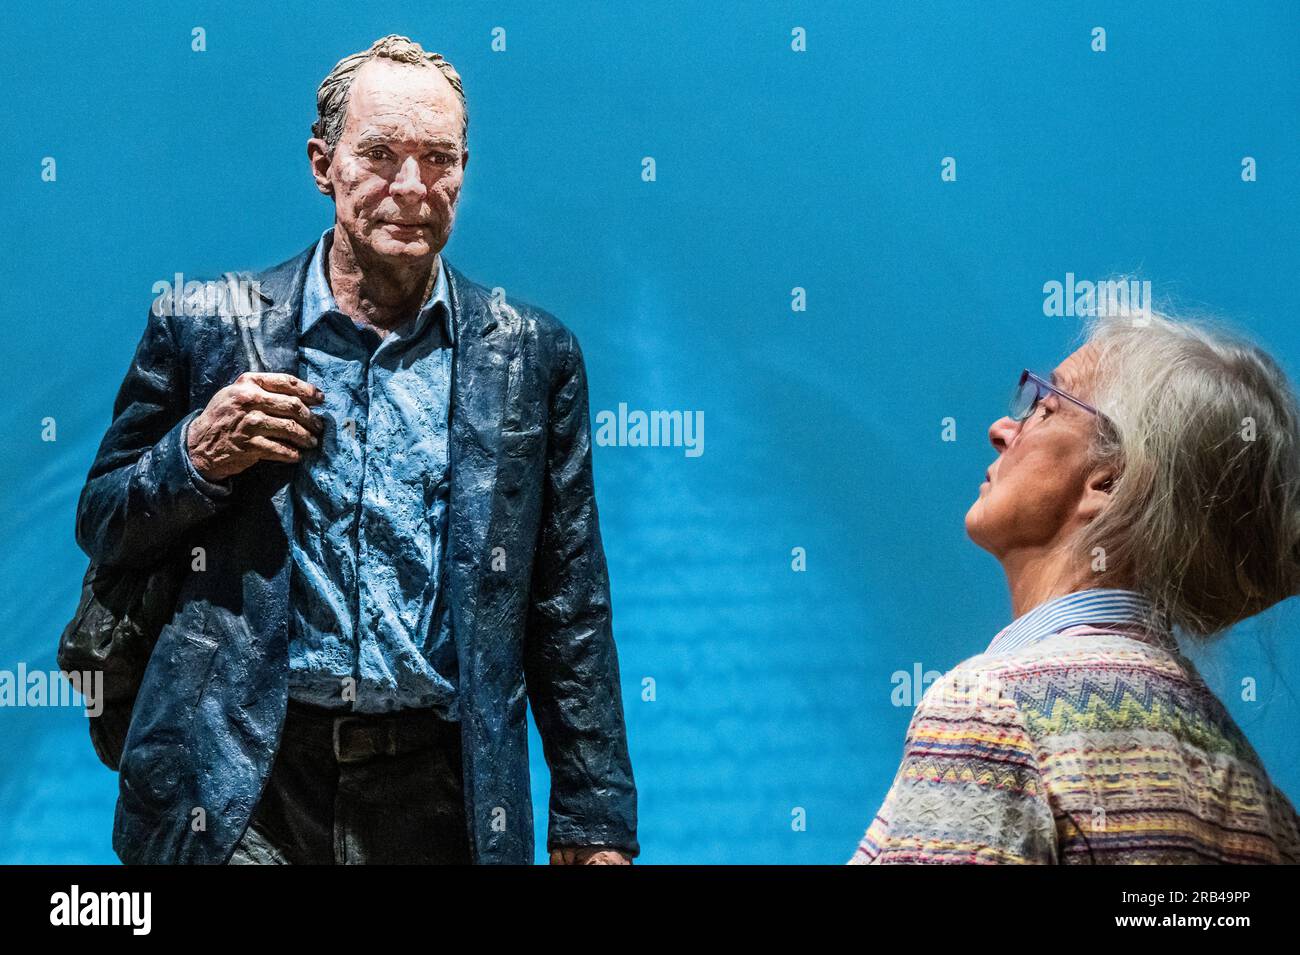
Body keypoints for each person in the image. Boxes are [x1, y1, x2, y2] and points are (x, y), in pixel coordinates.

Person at [75, 34, 637, 864]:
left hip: (440, 791)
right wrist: (195, 454)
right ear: (322, 163)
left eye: (437, 160)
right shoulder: (206, 326)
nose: (410, 187)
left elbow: (568, 604)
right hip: (243, 780)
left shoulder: (530, 356)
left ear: (463, 170)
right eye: (379, 155)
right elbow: (103, 519)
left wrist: (594, 826)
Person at [852, 307, 1300, 864]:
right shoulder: (1270, 814)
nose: (1001, 430)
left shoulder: (987, 711)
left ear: (1110, 481)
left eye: (1044, 407)